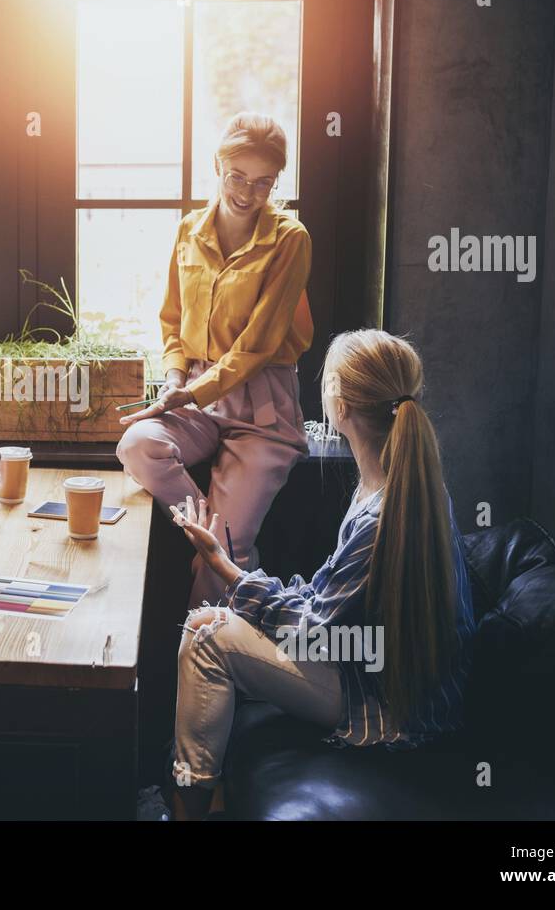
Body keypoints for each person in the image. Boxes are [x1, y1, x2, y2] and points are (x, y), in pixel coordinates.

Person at [164, 329, 477, 820]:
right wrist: (238, 587)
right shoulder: (394, 482)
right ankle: (206, 790)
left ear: (340, 404)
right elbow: (328, 602)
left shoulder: (382, 514)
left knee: (207, 640)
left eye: (327, 380)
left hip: (392, 705)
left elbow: (314, 631)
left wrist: (223, 566)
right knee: (209, 623)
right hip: (372, 664)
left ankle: (191, 804)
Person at [117, 112, 314, 606]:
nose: (247, 192)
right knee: (137, 445)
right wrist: (175, 378)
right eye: (237, 177)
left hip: (262, 406)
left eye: (263, 182)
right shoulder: (189, 230)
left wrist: (191, 391)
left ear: (276, 182)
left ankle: (206, 669)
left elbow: (259, 344)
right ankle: (221, 545)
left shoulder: (290, 239)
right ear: (218, 166)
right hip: (196, 394)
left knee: (216, 567)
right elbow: (171, 320)